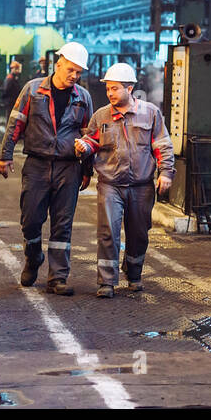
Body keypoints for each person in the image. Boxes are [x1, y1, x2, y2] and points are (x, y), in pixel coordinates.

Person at [0, 42, 93, 295]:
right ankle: (33, 256)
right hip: (37, 165)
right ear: (58, 64)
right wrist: (5, 156)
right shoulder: (33, 90)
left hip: (68, 167)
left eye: (79, 72)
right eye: (71, 70)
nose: (75, 76)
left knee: (63, 223)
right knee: (31, 220)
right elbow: (15, 123)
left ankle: (58, 278)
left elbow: (89, 137)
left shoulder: (83, 98)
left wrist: (87, 169)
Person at [75, 63, 174, 298]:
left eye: (115, 89)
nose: (110, 93)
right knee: (108, 231)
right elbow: (92, 141)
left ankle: (134, 273)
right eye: (108, 89)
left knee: (139, 232)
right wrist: (83, 147)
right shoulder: (101, 116)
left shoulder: (150, 113)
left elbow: (162, 144)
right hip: (110, 184)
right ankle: (106, 282)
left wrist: (166, 172)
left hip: (141, 186)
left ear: (129, 89)